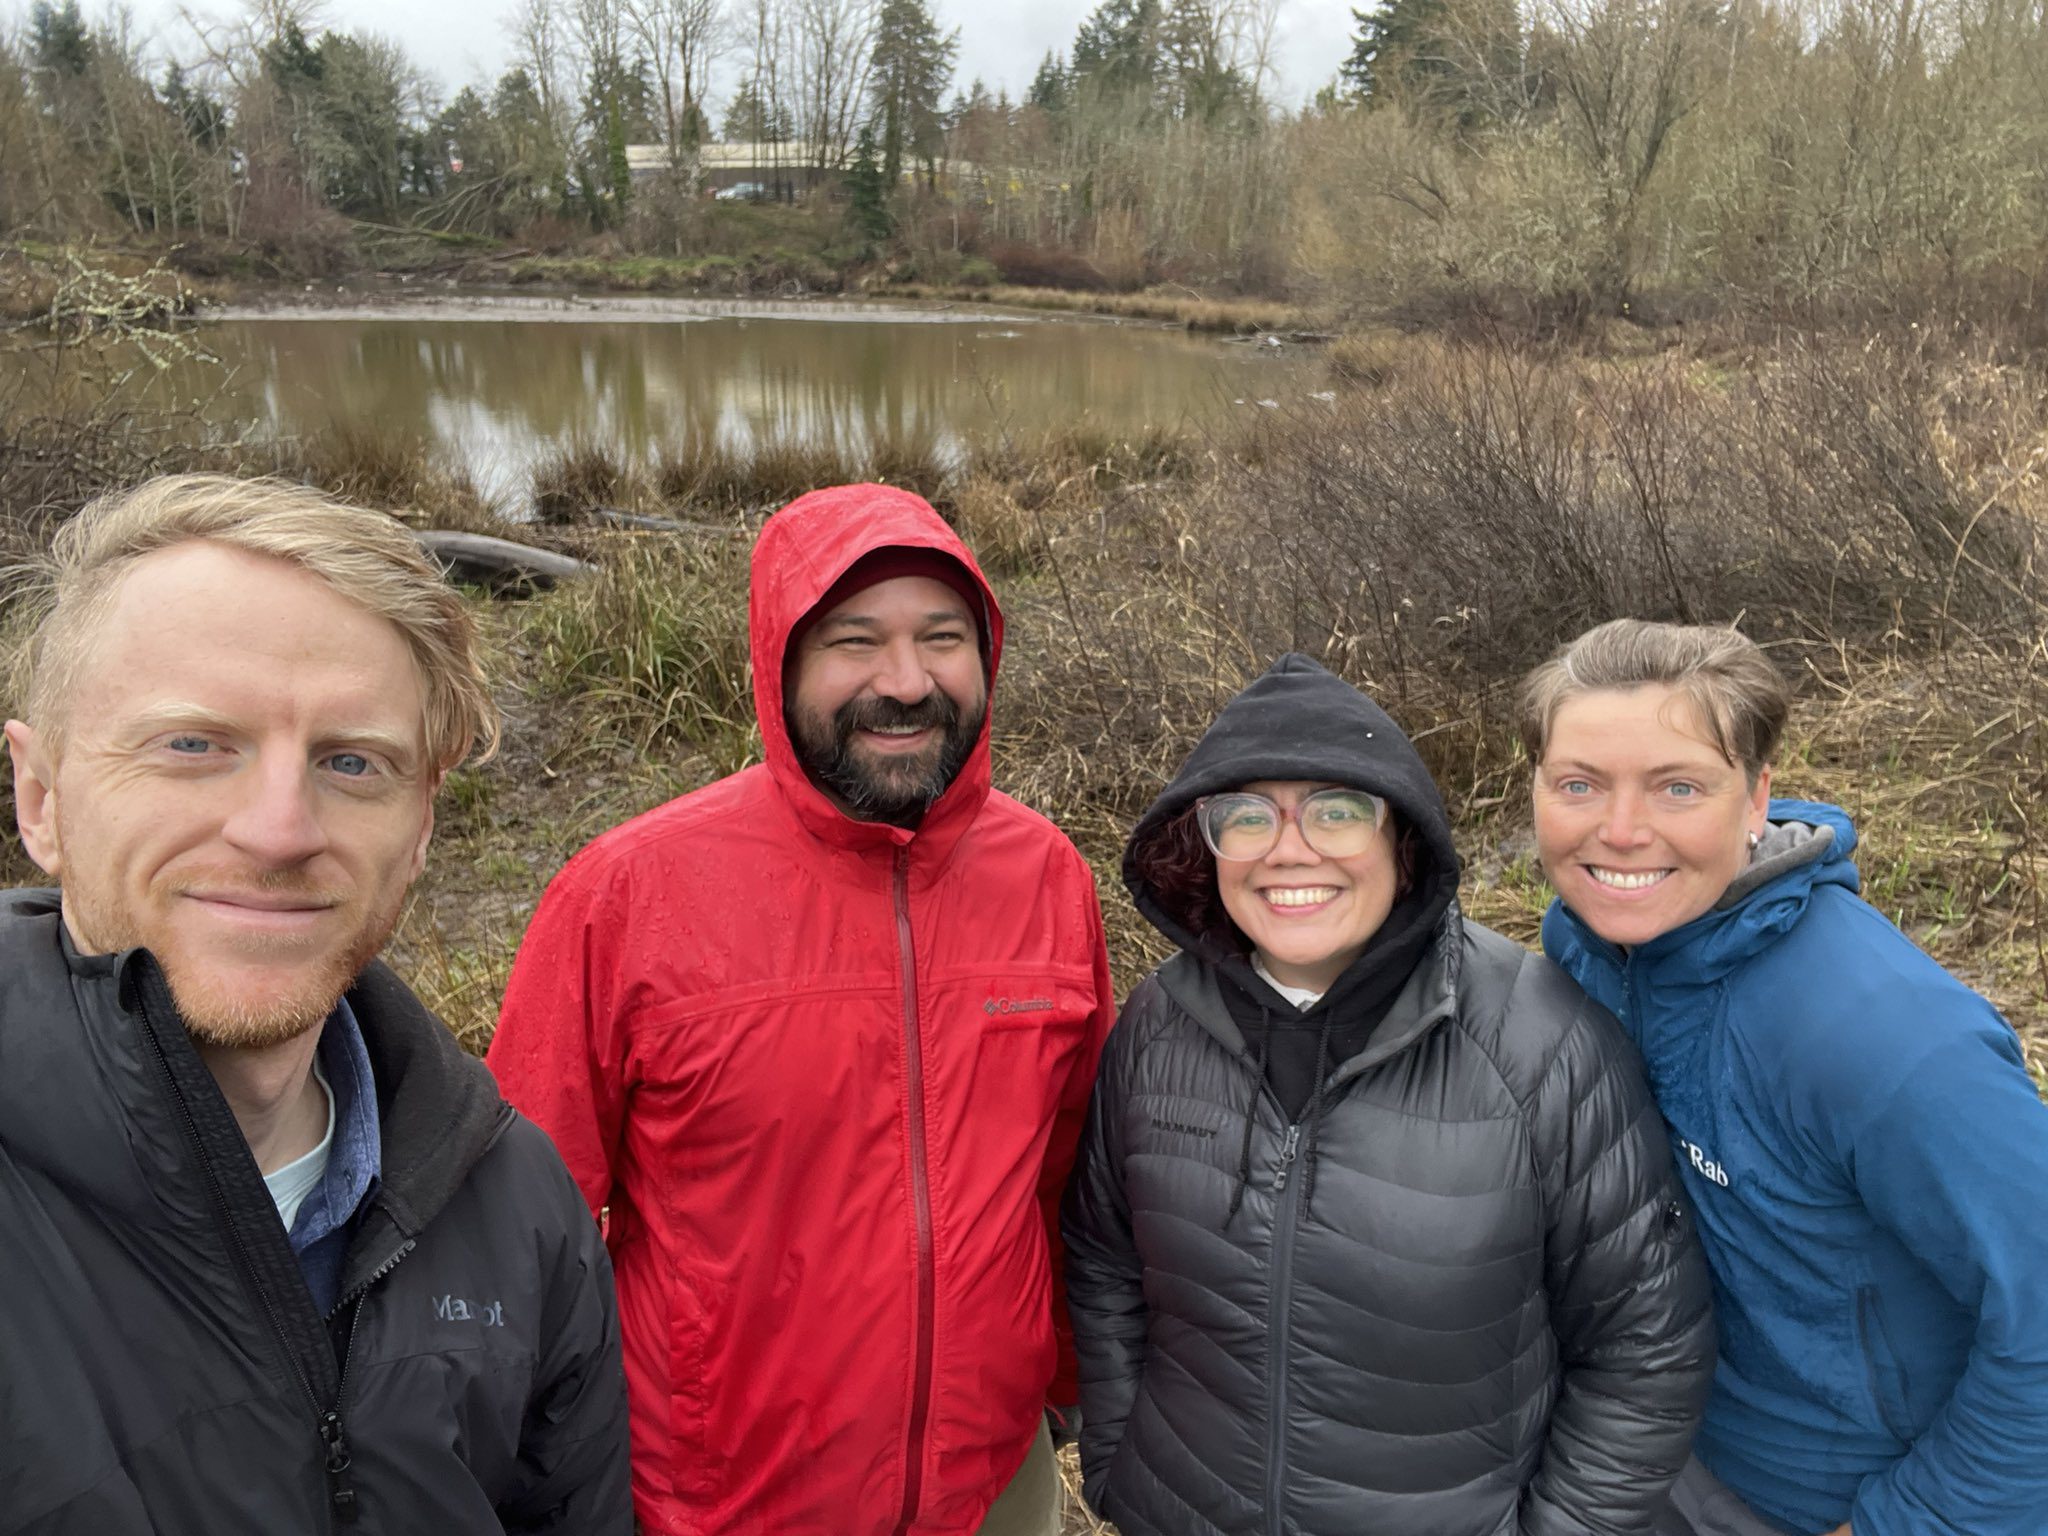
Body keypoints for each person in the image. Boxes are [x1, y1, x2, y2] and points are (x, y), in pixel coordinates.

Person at [0, 474, 630, 1534]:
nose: (280, 830)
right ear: (41, 799)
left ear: (422, 826)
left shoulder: (515, 1201)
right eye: (193, 745)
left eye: (352, 762)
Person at [486, 483, 1116, 1536]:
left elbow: (1068, 1172)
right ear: (778, 662)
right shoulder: (627, 892)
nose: (904, 682)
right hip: (717, 1497)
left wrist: (1061, 1380)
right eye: (853, 641)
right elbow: (517, 1230)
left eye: (941, 638)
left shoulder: (1047, 875)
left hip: (989, 1489)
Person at [1062, 651, 1714, 1536]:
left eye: (1337, 811)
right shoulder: (1157, 1024)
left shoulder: (1542, 1045)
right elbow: (1103, 1258)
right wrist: (1120, 1462)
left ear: (1400, 841)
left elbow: (1646, 1344)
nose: (1290, 850)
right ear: (1202, 844)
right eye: (1246, 817)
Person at [1522, 618, 2048, 1536]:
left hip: (1846, 1499)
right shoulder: (1583, 945)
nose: (1621, 831)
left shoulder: (1889, 1042)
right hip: (1663, 1448)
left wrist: (1907, 1523)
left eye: (1677, 786)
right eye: (1579, 785)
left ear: (1757, 797)